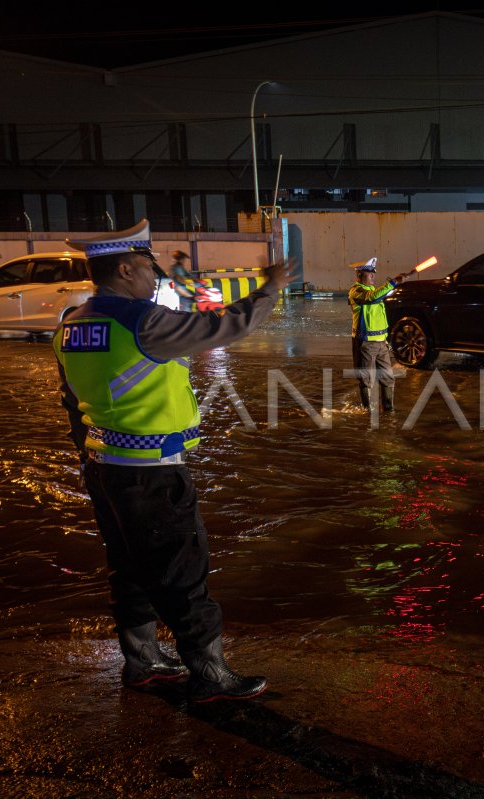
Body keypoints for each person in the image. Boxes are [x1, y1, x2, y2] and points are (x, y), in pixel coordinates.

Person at [53, 219, 294, 703]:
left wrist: (88, 460)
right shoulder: (142, 321)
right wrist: (269, 289)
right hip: (152, 474)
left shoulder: (71, 323)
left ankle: (142, 662)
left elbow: (71, 401)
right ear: (125, 270)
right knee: (184, 570)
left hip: (104, 469)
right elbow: (225, 325)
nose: (154, 276)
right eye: (147, 267)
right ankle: (210, 674)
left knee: (128, 566)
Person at [349, 257, 408, 411]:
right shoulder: (356, 291)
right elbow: (372, 298)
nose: (373, 276)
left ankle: (388, 410)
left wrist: (397, 282)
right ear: (360, 275)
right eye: (370, 273)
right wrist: (393, 282)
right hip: (366, 343)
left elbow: (381, 293)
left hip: (382, 343)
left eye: (374, 273)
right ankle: (367, 412)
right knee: (366, 380)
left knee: (388, 379)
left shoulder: (373, 291)